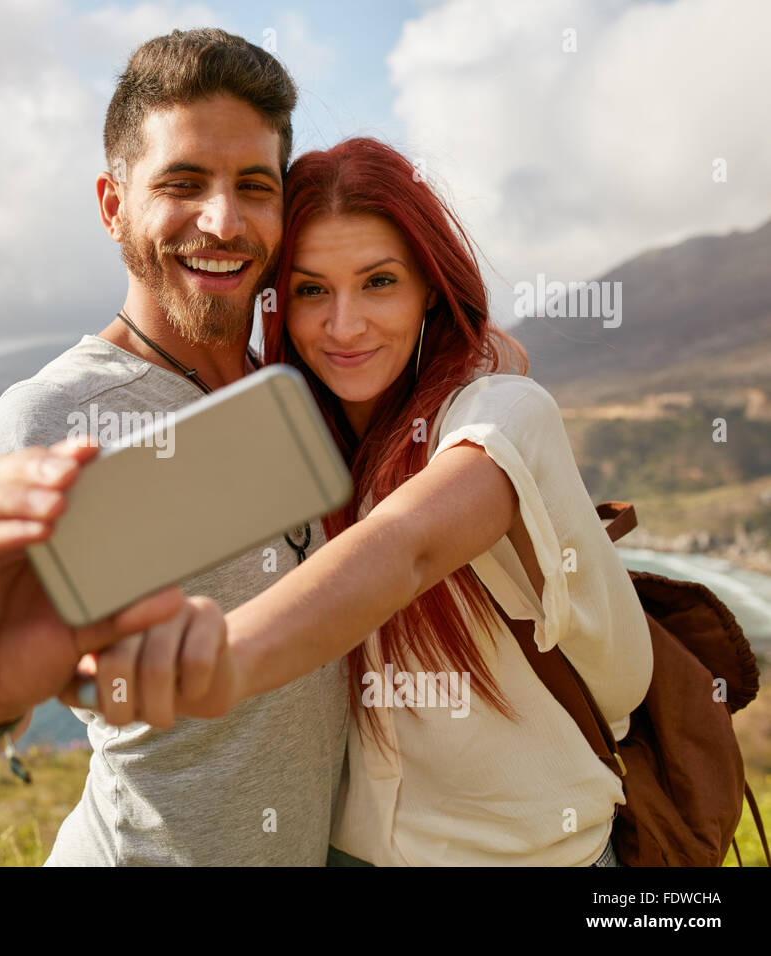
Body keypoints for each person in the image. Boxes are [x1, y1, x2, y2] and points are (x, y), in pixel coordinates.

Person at [59, 137, 655, 865]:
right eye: (312, 290)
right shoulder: (303, 442)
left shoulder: (504, 414)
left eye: (379, 283)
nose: (344, 327)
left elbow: (405, 550)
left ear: (429, 286)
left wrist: (206, 665)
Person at [0, 29, 348, 866]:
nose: (223, 220)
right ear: (113, 206)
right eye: (182, 183)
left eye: (255, 186)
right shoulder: (51, 418)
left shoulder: (303, 388)